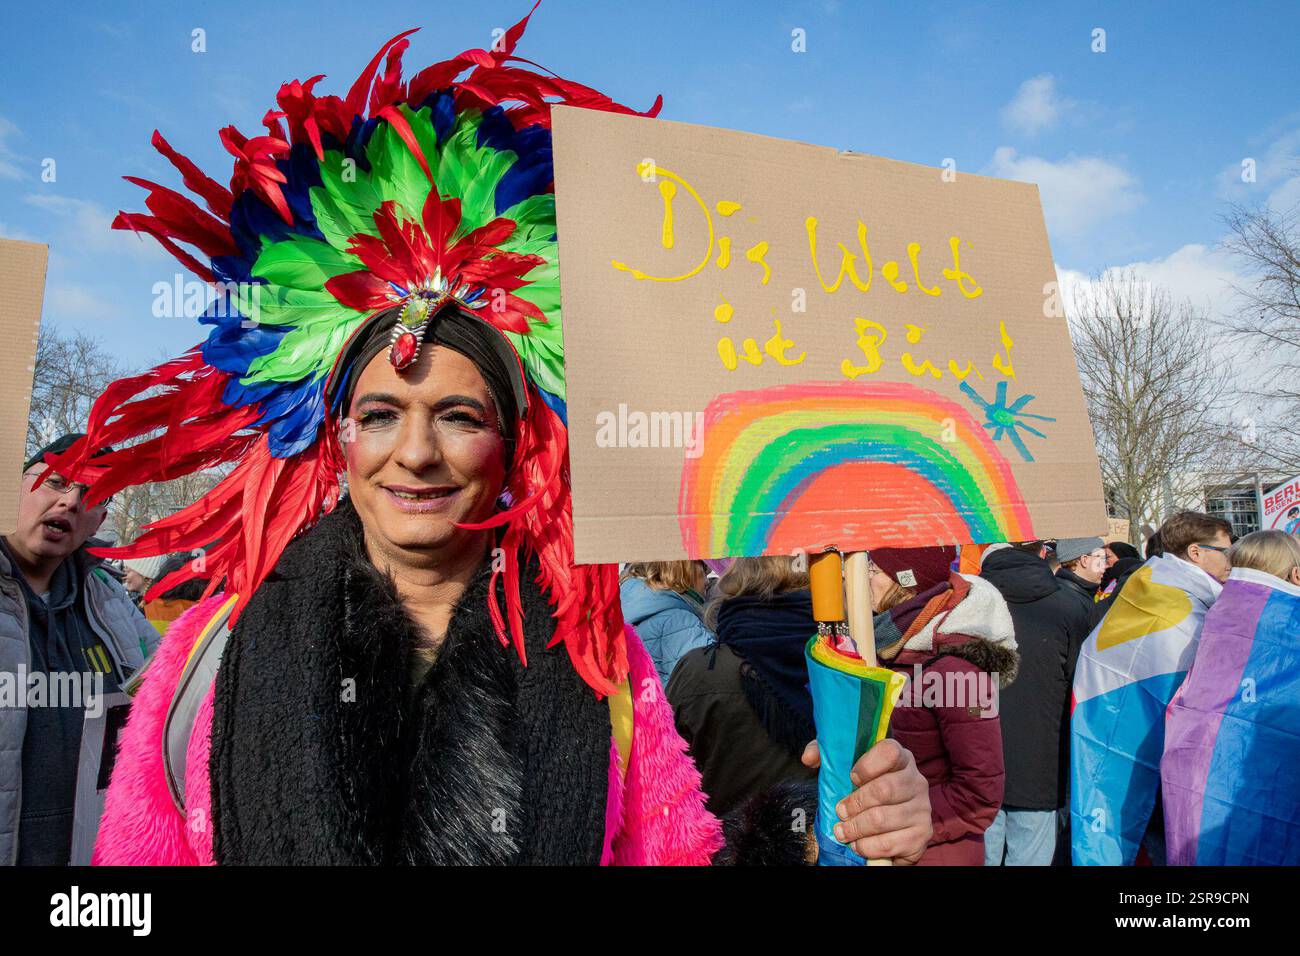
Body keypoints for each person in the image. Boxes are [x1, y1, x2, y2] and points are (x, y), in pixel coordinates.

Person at [65, 15, 932, 866]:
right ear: (336, 440)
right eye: (379, 416)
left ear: (515, 444)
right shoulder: (208, 655)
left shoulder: (602, 663)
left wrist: (815, 833)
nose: (414, 453)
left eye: (459, 416)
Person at [1, 435, 159, 865]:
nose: (70, 502)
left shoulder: (111, 602)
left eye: (91, 495)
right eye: (55, 482)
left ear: (99, 520)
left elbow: (169, 693)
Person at [1071, 511, 1231, 865]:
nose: (1231, 561)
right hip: (1161, 759)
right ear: (1196, 552)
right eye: (1225, 551)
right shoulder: (1183, 608)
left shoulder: (1148, 588)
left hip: (1134, 744)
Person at [870, 546, 1018, 865]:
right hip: (895, 846)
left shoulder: (956, 671)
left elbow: (980, 794)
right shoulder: (892, 651)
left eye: (872, 570)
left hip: (938, 852)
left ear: (904, 582)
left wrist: (905, 819)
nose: (862, 579)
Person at [1162, 530, 1300, 865]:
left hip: (1196, 767)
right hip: (1266, 773)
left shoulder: (1211, 612)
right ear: (1295, 574)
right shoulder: (1291, 624)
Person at [667, 556, 818, 818]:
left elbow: (665, 771)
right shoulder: (842, 666)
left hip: (724, 846)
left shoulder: (701, 670)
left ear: (733, 582)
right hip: (823, 843)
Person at [979, 540, 1091, 865]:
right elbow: (1080, 684)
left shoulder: (964, 604)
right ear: (1042, 553)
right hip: (1041, 759)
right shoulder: (1070, 606)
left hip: (978, 754)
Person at [619, 561, 713, 687]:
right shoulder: (681, 622)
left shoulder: (624, 614)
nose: (707, 582)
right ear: (682, 569)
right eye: (702, 569)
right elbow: (710, 686)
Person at [1053, 537, 1105, 611]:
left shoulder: (1061, 589)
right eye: (1101, 559)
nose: (1105, 565)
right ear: (1085, 560)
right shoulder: (1073, 603)